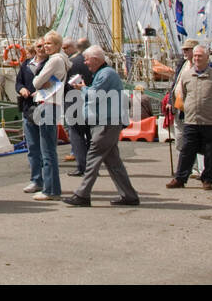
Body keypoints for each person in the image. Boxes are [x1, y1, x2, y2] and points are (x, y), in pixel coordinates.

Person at [63, 46, 138, 207]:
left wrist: (82, 88)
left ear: (96, 59)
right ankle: (129, 195)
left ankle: (82, 194)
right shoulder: (103, 73)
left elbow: (95, 95)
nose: (85, 62)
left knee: (93, 157)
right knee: (113, 162)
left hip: (106, 123)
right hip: (106, 122)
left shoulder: (106, 74)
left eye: (87, 59)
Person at [167, 44, 212, 190]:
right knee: (187, 150)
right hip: (191, 119)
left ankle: (207, 179)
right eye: (195, 56)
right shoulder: (187, 76)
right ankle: (180, 178)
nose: (196, 58)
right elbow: (183, 94)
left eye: (200, 56)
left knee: (210, 151)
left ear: (207, 58)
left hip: (210, 121)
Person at [30, 31, 68, 199]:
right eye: (44, 44)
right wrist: (46, 84)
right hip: (52, 103)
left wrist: (41, 83)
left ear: (57, 46)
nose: (45, 47)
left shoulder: (55, 60)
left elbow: (36, 82)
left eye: (49, 44)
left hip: (48, 105)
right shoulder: (63, 60)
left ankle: (50, 189)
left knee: (47, 150)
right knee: (49, 149)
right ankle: (52, 187)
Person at [15, 42, 46, 194]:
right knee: (32, 148)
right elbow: (18, 81)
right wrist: (21, 89)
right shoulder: (26, 64)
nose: (40, 48)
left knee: (47, 148)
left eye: (43, 45)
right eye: (38, 46)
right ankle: (36, 180)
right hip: (28, 109)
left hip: (45, 109)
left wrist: (41, 94)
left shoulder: (51, 63)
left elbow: (57, 84)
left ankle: (49, 181)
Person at [62, 36, 91, 176]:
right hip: (92, 103)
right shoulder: (97, 63)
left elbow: (63, 84)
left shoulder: (71, 63)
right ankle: (92, 166)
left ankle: (82, 166)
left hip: (73, 103)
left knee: (76, 135)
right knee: (91, 135)